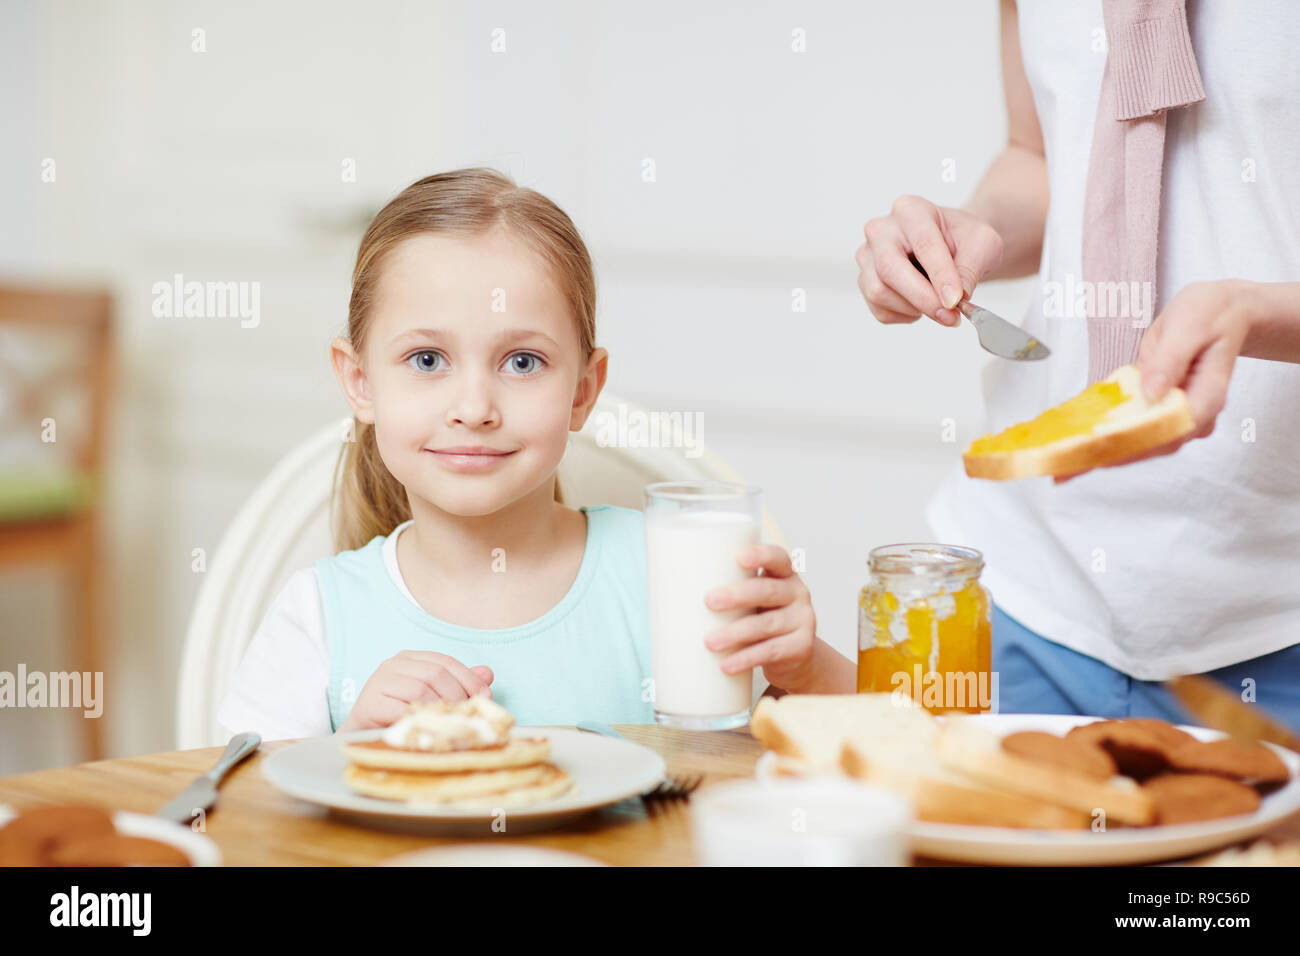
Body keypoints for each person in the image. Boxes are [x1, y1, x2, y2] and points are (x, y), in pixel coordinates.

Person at [219, 168, 850, 740]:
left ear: (583, 391)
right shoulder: (318, 617)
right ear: (360, 382)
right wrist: (349, 751)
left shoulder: (672, 576)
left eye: (522, 362)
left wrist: (807, 669)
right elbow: (235, 812)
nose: (474, 407)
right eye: (427, 360)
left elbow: (877, 752)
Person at [856, 0, 1300, 724]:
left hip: (1275, 618)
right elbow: (1037, 156)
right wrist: (970, 233)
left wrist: (1254, 311)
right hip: (1024, 588)